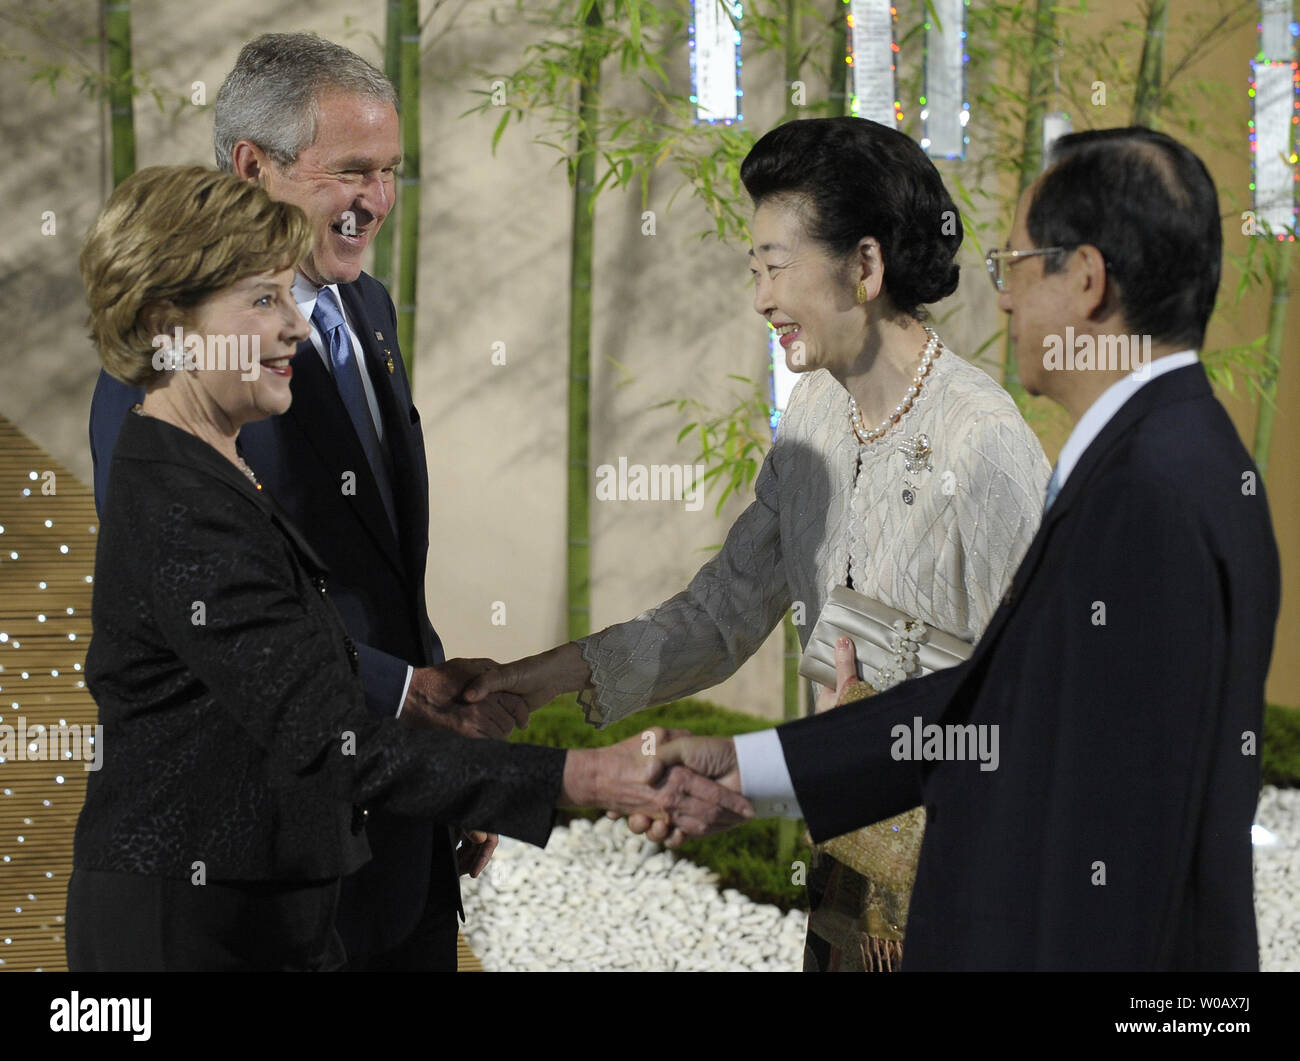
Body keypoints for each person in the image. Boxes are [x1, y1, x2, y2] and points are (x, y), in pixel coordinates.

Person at [68, 165, 751, 972]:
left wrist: (434, 702)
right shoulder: (183, 498)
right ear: (166, 324)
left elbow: (294, 672)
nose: (296, 326)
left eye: (291, 296)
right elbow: (333, 741)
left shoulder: (214, 469)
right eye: (263, 300)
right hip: (186, 926)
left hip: (265, 904)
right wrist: (590, 775)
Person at [655, 127, 1282, 971]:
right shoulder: (1165, 455)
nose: (1006, 298)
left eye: (1016, 265)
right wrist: (755, 768)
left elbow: (1111, 808)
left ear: (1087, 280)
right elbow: (999, 706)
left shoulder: (1150, 492)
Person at [465, 117, 1051, 970]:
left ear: (864, 266)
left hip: (968, 892)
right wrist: (529, 683)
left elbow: (1041, 703)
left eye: (776, 266)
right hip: (841, 871)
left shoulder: (983, 440)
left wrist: (830, 748)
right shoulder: (814, 415)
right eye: (754, 268)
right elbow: (718, 614)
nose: (759, 298)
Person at [87, 33, 513, 970]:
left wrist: (448, 759)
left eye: (392, 172)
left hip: (398, 806)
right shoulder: (164, 379)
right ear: (253, 165)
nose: (377, 202)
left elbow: (385, 573)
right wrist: (417, 712)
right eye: (351, 171)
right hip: (270, 839)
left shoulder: (369, 309)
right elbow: (232, 627)